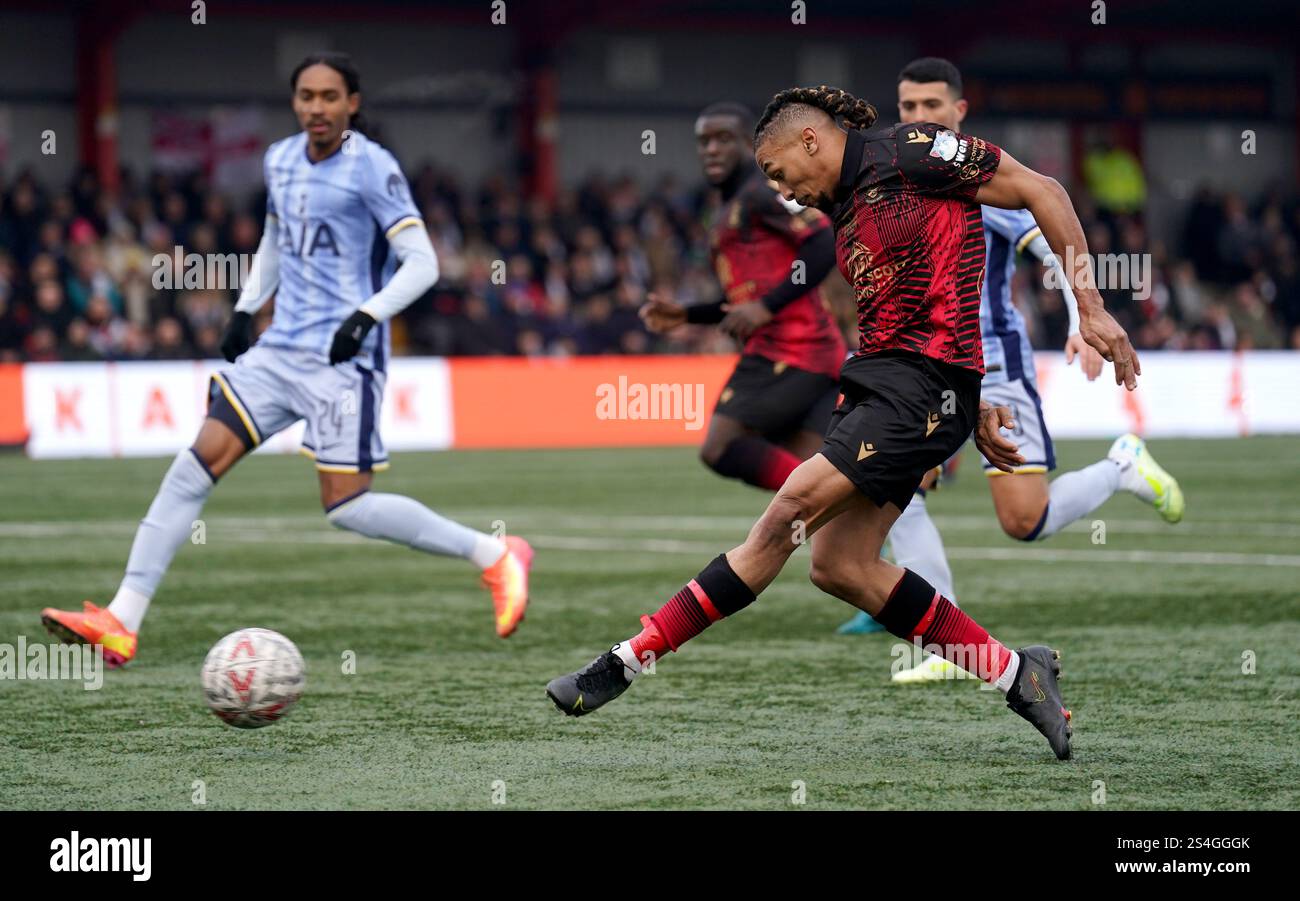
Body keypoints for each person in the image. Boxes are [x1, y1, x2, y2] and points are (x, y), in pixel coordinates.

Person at [546, 84, 1145, 760]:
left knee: (785, 514)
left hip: (915, 390)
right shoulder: (845, 207)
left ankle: (625, 660)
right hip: (886, 387)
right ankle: (1018, 674)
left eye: (778, 172)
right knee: (838, 565)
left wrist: (1088, 308)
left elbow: (1045, 192)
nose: (782, 190)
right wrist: (966, 402)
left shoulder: (912, 150)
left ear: (811, 140)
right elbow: (919, 301)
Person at [41, 53, 533, 667]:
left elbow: (424, 263)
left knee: (348, 507)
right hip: (280, 350)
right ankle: (123, 620)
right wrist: (246, 309)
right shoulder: (279, 159)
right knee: (194, 467)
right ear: (295, 101)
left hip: (343, 363)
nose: (316, 108)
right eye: (306, 96)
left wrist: (365, 318)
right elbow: (278, 238)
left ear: (352, 103)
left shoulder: (373, 168)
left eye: (330, 97)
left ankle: (495, 555)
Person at [840, 60, 1184, 673]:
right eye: (908, 106)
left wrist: (1087, 317)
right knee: (898, 480)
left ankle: (1120, 467)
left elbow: (1046, 241)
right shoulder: (892, 180)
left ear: (959, 112)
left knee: (1024, 521)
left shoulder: (972, 176)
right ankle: (943, 633)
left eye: (931, 106)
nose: (918, 117)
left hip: (992, 363)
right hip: (920, 369)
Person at [639, 102, 845, 489]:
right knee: (808, 468)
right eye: (704, 142)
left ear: (749, 146)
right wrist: (687, 315)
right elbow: (744, 302)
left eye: (723, 139)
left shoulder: (764, 191)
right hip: (805, 355)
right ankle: (837, 518)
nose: (712, 149)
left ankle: (829, 507)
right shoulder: (727, 209)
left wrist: (768, 307)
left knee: (721, 445)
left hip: (792, 349)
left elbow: (822, 238)